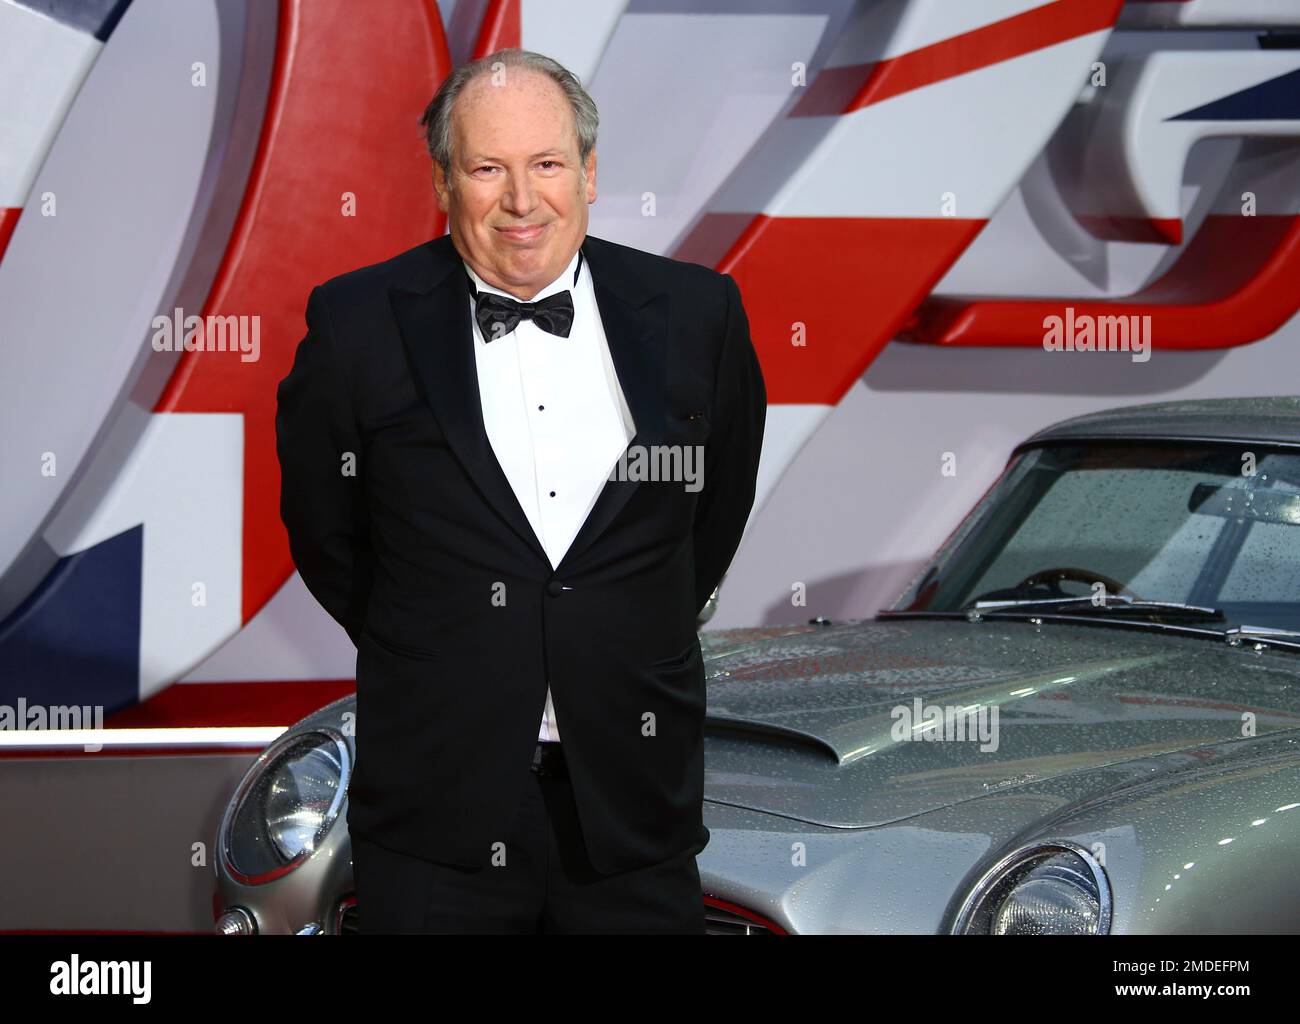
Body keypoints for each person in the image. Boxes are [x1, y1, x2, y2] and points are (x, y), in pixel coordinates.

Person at [274, 46, 766, 933]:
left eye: (545, 164)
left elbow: (710, 517)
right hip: (436, 814)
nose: (521, 199)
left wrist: (617, 622)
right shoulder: (355, 325)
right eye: (487, 168)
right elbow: (326, 534)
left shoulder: (699, 314)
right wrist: (441, 641)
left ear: (588, 171)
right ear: (442, 182)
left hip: (632, 807)